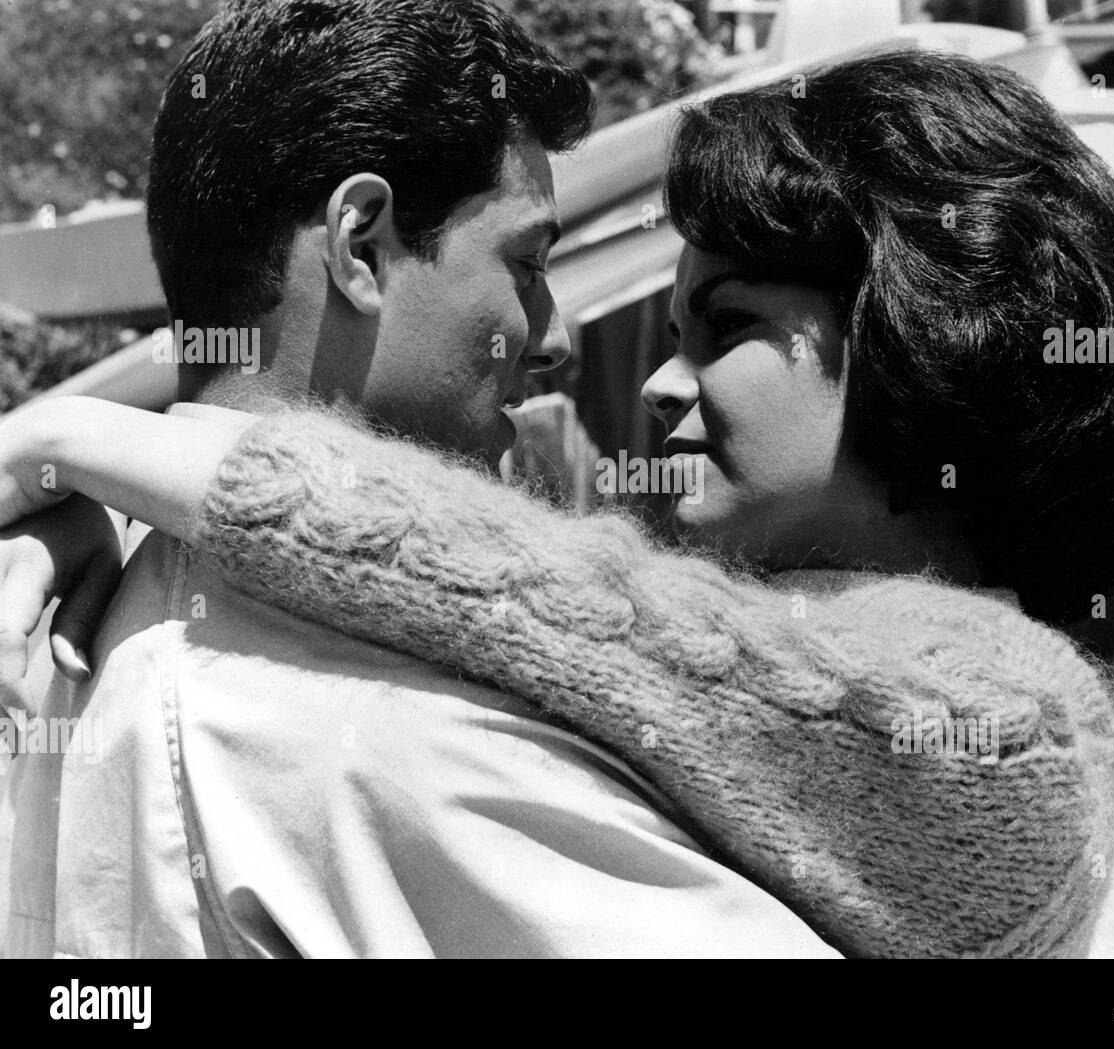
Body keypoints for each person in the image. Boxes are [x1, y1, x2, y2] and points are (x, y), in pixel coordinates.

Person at [0, 50, 1114, 958]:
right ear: (356, 246)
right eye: (528, 264)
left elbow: (564, 599)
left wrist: (109, 445)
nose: (658, 383)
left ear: (922, 338)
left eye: (726, 328)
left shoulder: (1020, 731)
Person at [0, 0, 836, 959]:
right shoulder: (383, 721)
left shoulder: (76, 622)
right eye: (526, 263)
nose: (556, 335)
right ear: (361, 246)